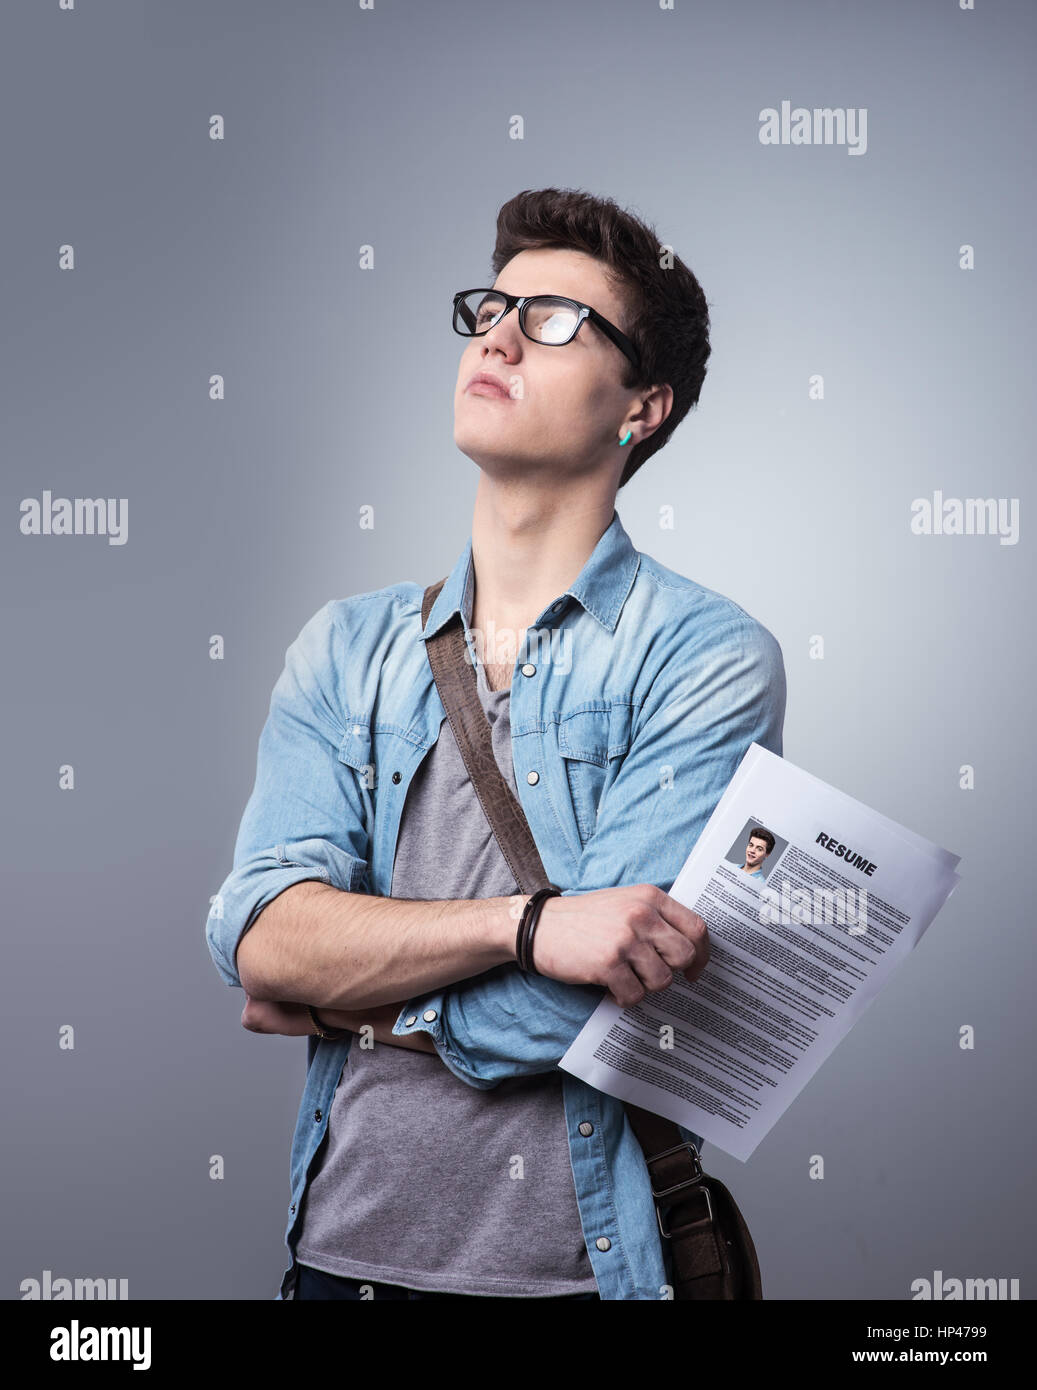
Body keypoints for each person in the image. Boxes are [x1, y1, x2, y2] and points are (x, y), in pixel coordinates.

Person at [205, 187, 787, 1301]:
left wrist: (339, 998)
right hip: (337, 1264)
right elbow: (259, 935)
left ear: (641, 407)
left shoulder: (708, 656)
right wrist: (523, 925)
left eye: (558, 318)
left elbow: (592, 1005)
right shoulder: (345, 647)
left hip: (578, 1278)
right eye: (492, 307)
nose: (500, 334)